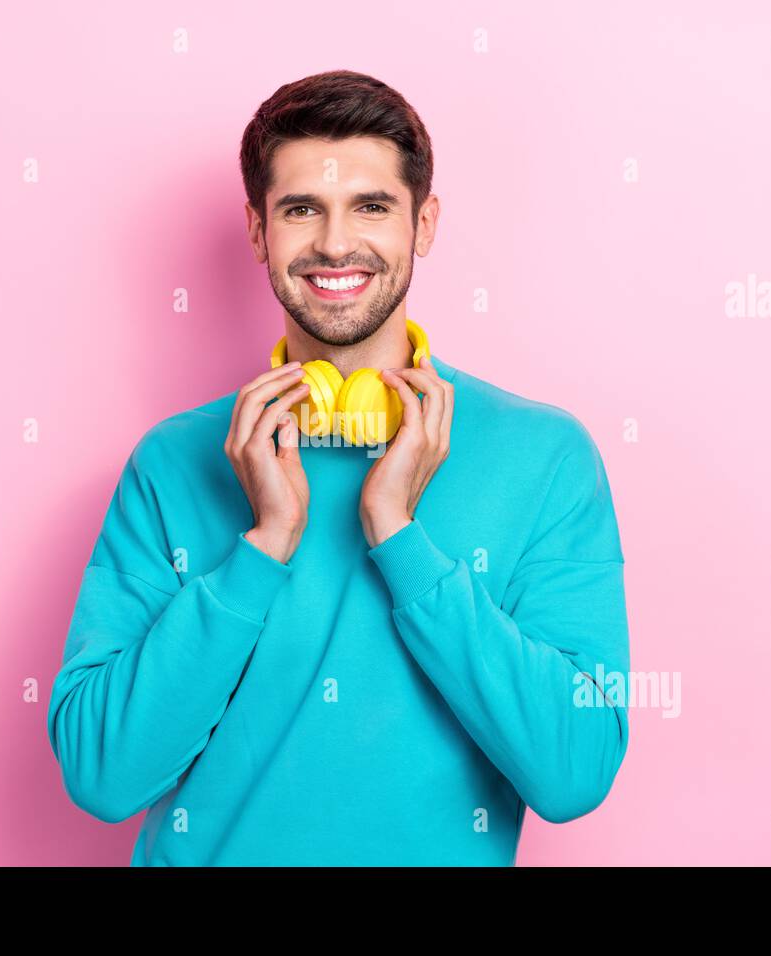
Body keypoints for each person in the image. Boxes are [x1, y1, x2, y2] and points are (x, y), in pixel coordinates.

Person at [46, 70, 630, 866]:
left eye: (372, 206)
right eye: (300, 209)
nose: (332, 242)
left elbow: (574, 775)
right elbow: (102, 777)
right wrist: (262, 547)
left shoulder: (546, 457)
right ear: (258, 232)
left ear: (424, 224)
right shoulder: (173, 460)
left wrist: (399, 537)